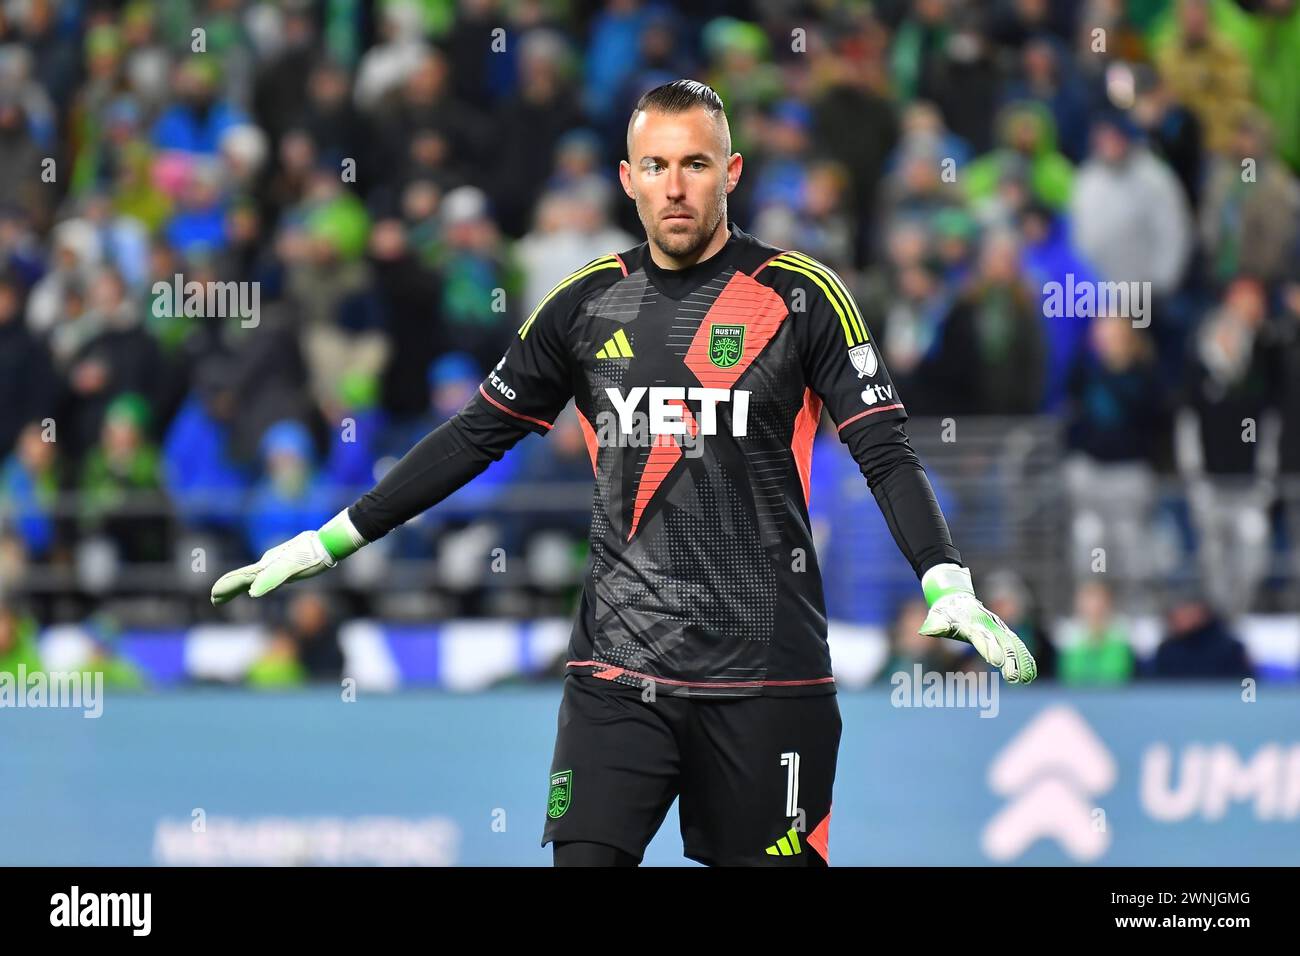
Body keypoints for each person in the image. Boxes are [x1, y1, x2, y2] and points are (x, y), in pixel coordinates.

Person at [209, 80, 1037, 867]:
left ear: (731, 173)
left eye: (695, 163)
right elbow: (474, 435)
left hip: (767, 676)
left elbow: (884, 448)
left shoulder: (802, 297)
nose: (675, 187)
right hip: (617, 671)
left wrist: (945, 577)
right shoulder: (583, 304)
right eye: (656, 166)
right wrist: (333, 538)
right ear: (627, 180)